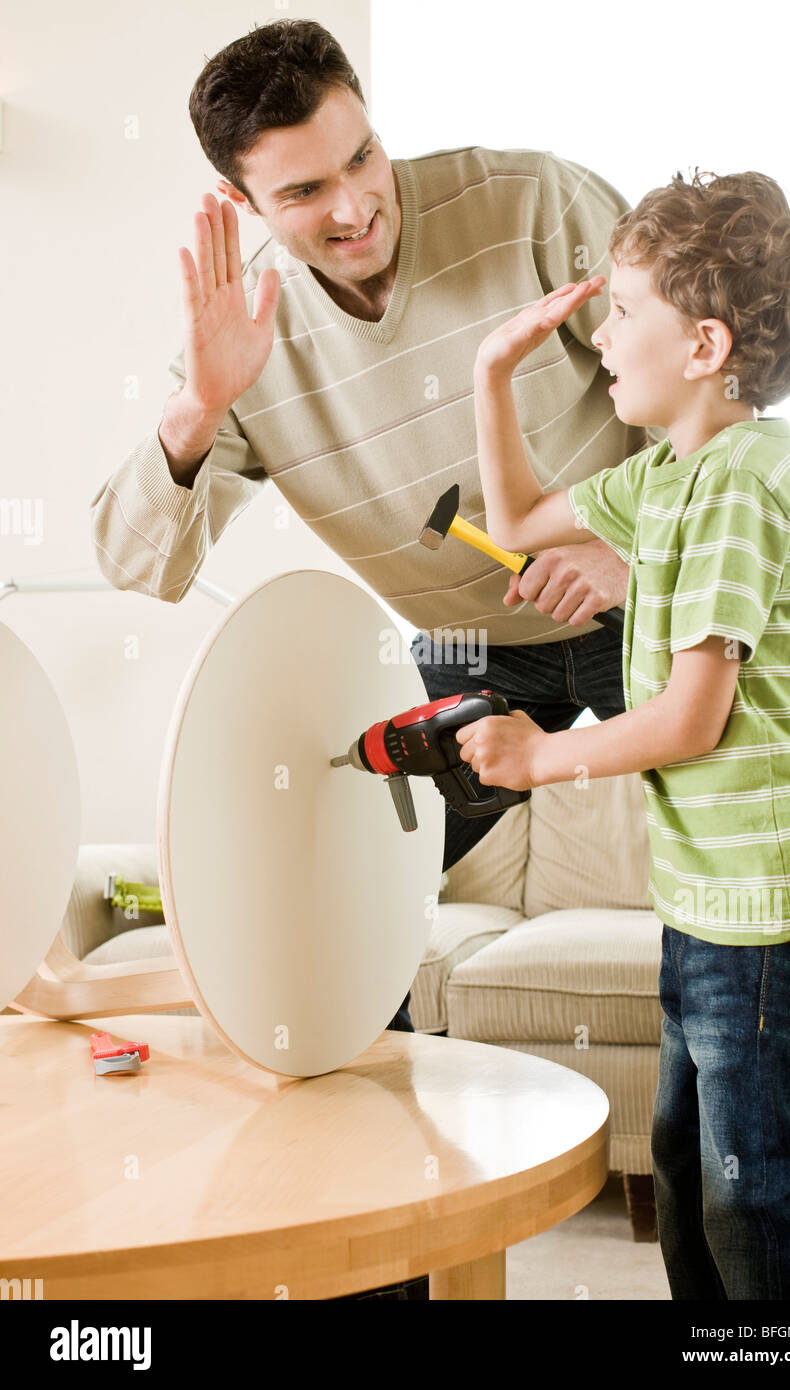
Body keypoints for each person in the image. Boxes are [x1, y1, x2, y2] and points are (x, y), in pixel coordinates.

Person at [89, 17, 649, 1037]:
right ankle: (366, 1160)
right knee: (335, 876)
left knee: (778, 887)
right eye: (303, 193)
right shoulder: (250, 339)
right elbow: (135, 563)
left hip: (649, 603)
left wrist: (629, 542)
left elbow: (712, 386)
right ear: (241, 202)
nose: (355, 208)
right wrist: (199, 408)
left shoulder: (532, 203)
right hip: (470, 652)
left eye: (363, 157)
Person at [456, 170, 790, 1299]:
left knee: (759, 1193)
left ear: (704, 346)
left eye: (623, 309)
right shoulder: (677, 475)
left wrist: (542, 758)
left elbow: (693, 716)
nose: (600, 334)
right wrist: (493, 371)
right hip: (712, 906)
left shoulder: (743, 481)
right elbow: (518, 522)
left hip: (769, 914)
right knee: (691, 1170)